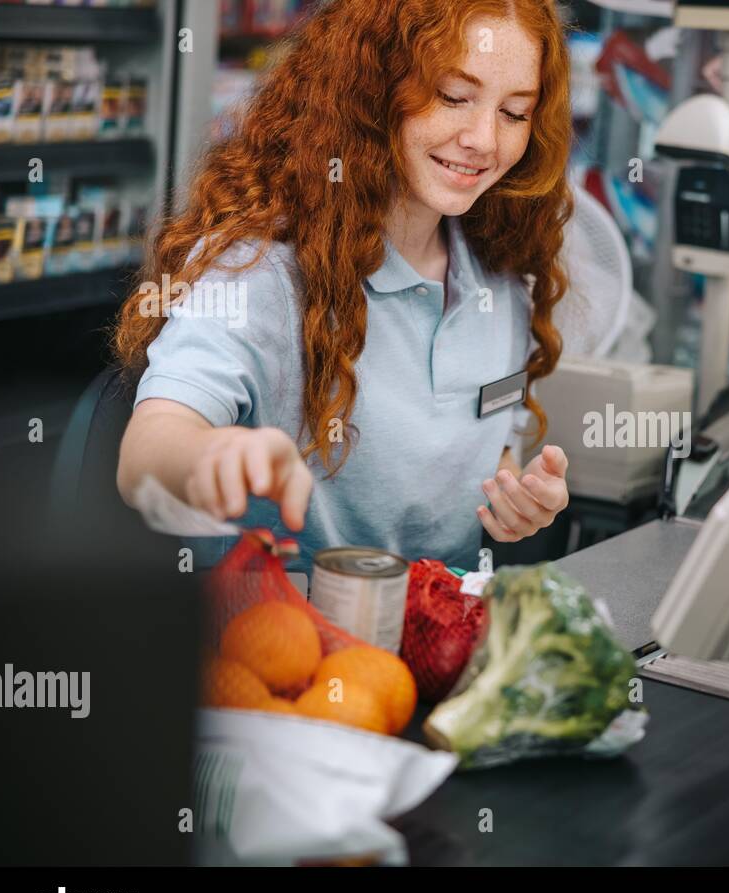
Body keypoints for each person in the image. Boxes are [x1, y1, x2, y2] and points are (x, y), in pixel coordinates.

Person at [114, 0, 574, 574]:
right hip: (283, 641)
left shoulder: (500, 282)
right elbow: (146, 453)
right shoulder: (261, 271)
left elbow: (488, 444)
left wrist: (516, 497)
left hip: (435, 637)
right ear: (373, 91)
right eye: (454, 97)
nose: (483, 139)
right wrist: (213, 454)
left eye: (514, 113)